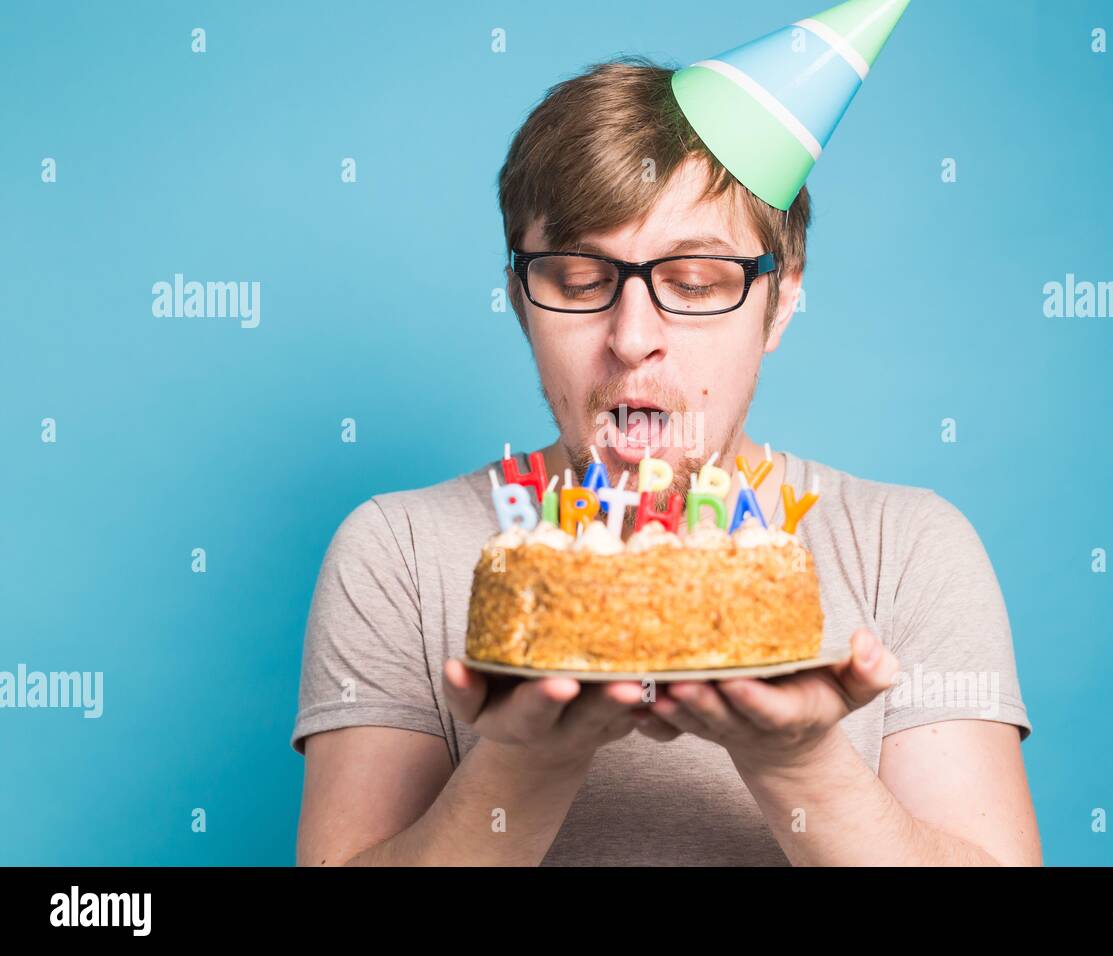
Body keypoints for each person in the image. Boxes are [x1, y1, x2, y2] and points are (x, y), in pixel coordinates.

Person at [293, 13, 1040, 867]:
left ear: (783, 298)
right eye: (579, 279)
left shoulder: (907, 549)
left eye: (694, 281)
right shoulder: (398, 552)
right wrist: (532, 756)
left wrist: (796, 761)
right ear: (518, 298)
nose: (633, 334)